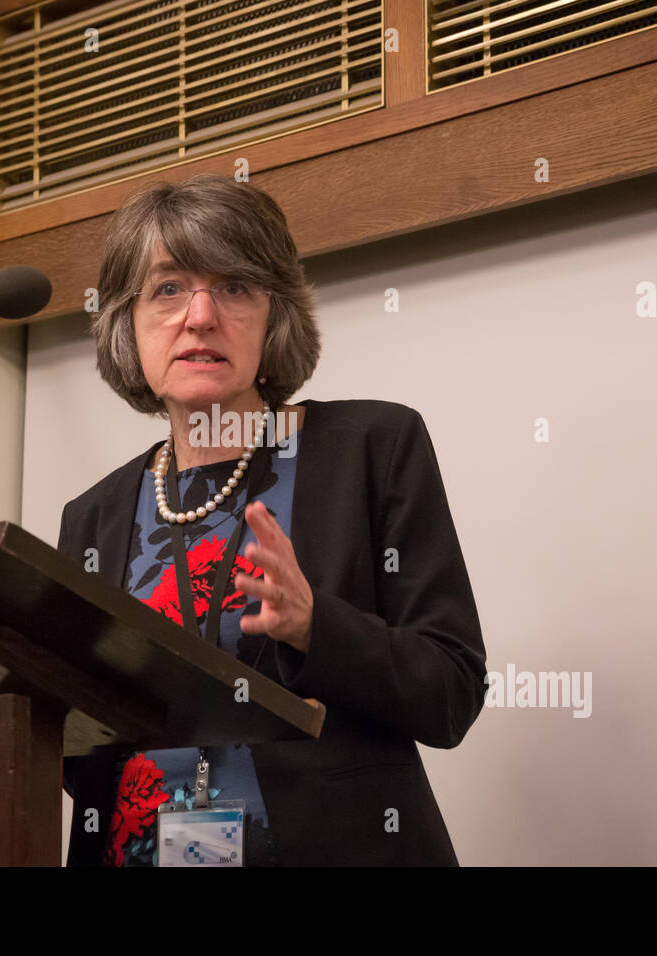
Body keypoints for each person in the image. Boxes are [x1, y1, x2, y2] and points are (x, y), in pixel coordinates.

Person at [55, 172, 486, 866]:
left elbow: (452, 690)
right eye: (168, 289)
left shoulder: (372, 450)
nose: (200, 316)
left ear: (274, 315)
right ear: (126, 326)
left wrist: (319, 627)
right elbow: (84, 748)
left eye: (233, 287)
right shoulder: (93, 516)